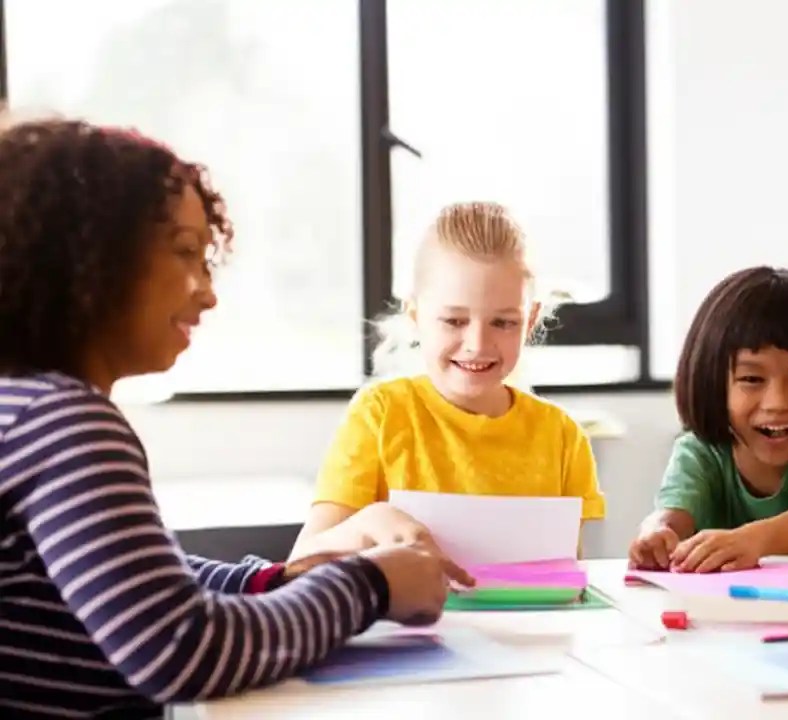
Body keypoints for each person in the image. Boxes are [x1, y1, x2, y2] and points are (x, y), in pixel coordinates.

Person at [0, 118, 457, 719]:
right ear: (92, 256)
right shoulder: (63, 424)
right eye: (186, 252)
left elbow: (134, 575)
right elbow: (181, 648)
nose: (208, 292)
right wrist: (371, 587)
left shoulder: (23, 407)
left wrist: (278, 579)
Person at [290, 201, 606, 561]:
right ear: (415, 316)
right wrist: (366, 525)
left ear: (530, 320)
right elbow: (301, 563)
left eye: (503, 323)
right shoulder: (380, 415)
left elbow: (564, 579)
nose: (478, 345)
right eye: (454, 321)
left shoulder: (562, 437)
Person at [629, 267, 788, 573]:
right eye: (752, 379)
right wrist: (656, 534)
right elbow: (673, 514)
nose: (778, 403)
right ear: (711, 382)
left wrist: (750, 542)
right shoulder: (700, 451)